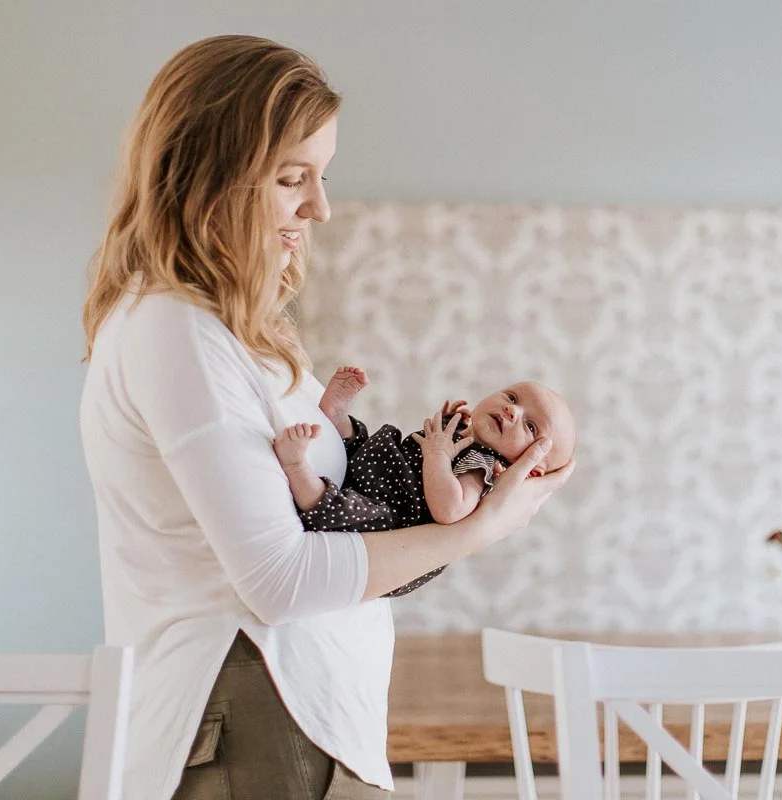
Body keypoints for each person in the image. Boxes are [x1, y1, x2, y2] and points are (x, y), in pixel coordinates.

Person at [79, 35, 573, 800]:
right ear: (211, 179)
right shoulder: (174, 332)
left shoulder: (231, 332)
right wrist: (479, 530)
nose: (321, 207)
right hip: (252, 713)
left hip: (291, 714)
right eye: (291, 179)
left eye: (321, 176)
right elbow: (279, 579)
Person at [273, 368, 576, 596]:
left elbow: (451, 509)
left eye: (530, 425)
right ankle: (336, 418)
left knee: (351, 509)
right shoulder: (464, 438)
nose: (513, 410)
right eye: (512, 397)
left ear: (531, 467)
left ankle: (297, 468)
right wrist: (447, 422)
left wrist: (438, 456)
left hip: (391, 520)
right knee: (356, 447)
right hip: (380, 477)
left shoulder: (481, 466)